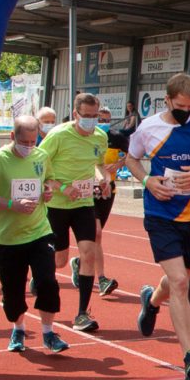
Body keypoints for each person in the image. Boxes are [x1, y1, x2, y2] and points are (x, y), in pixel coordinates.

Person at [125, 73, 190, 380]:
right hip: (160, 213)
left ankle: (152, 300)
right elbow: (131, 159)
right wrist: (147, 180)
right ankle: (189, 355)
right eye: (180, 106)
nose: (186, 112)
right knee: (181, 282)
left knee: (179, 278)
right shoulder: (148, 128)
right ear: (167, 100)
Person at [0, 116, 67, 353]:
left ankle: (49, 333)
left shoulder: (41, 156)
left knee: (47, 282)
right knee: (13, 292)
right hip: (8, 238)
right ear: (12, 137)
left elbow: (50, 179)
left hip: (39, 232)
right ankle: (18, 328)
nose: (29, 146)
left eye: (32, 141)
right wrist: (11, 204)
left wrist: (48, 190)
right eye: (24, 142)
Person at [39, 93, 111, 333]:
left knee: (88, 252)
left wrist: (104, 179)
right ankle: (41, 272)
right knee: (58, 261)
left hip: (83, 204)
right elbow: (38, 166)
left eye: (95, 116)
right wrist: (62, 188)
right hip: (57, 206)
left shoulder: (100, 137)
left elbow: (98, 165)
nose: (91, 121)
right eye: (86, 116)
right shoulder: (57, 136)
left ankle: (82, 314)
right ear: (75, 114)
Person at [85, 105, 123, 298]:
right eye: (100, 119)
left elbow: (131, 156)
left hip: (108, 190)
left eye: (107, 120)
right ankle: (101, 279)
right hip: (87, 190)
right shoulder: (85, 137)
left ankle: (81, 262)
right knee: (97, 233)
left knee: (95, 237)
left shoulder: (115, 138)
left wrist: (118, 164)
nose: (103, 123)